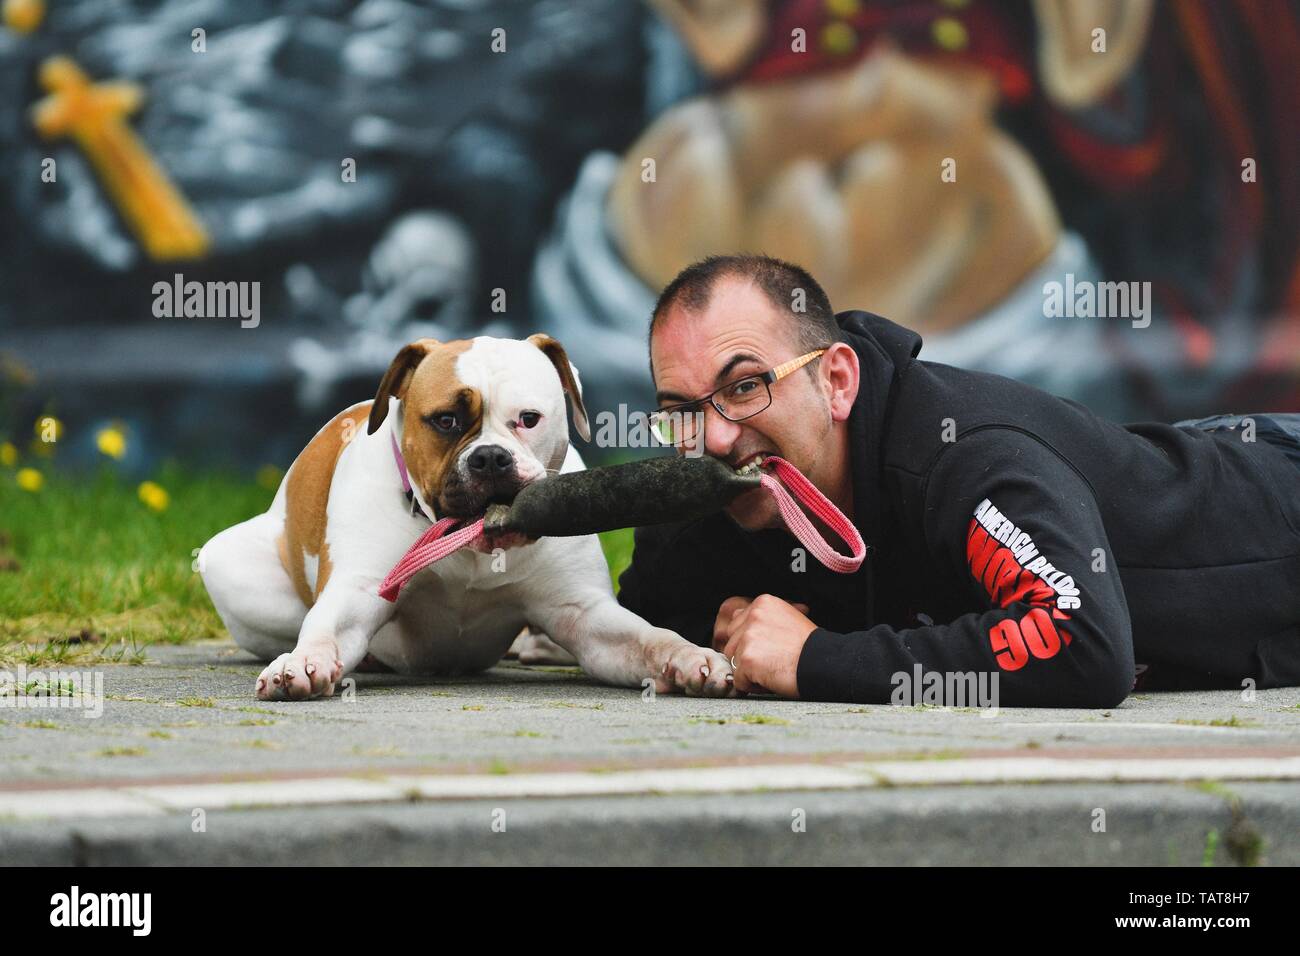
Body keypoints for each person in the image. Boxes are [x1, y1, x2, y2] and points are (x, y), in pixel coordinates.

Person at [616, 254, 1300, 707]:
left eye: (745, 387)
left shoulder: (962, 456)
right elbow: (640, 607)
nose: (716, 437)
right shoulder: (719, 479)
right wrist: (716, 624)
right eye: (681, 410)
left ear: (837, 382)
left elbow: (1082, 645)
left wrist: (818, 660)